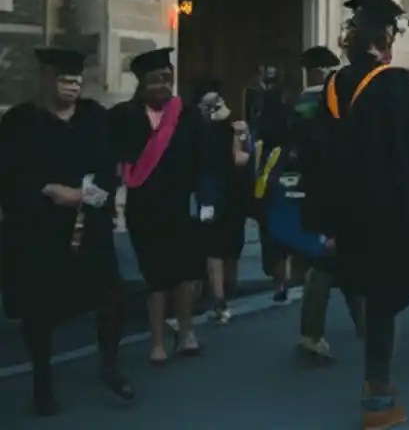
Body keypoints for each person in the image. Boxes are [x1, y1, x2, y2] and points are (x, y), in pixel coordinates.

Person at [304, 0, 409, 428]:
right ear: (386, 36)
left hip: (348, 213)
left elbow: (317, 154)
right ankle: (378, 394)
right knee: (386, 300)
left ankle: (377, 385)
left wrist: (324, 217)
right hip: (392, 212)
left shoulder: (332, 86)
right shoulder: (398, 85)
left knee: (367, 290)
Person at [0, 48, 134, 415]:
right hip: (37, 233)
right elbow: (7, 177)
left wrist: (82, 194)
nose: (73, 86)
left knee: (112, 300)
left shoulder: (94, 119)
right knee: (38, 312)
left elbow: (110, 169)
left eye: (77, 80)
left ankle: (110, 366)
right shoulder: (20, 122)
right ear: (46, 80)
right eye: (65, 80)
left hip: (89, 228)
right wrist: (46, 191)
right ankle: (42, 385)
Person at [110, 47, 207, 365]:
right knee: (155, 278)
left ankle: (186, 331)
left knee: (182, 275)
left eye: (168, 79)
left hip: (181, 206)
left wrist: (206, 200)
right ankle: (156, 341)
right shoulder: (124, 116)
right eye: (156, 80)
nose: (163, 86)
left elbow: (205, 160)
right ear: (142, 83)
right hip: (144, 209)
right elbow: (112, 158)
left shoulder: (188, 116)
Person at [294, 45, 366, 364]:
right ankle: (363, 327)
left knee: (329, 261)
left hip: (321, 188)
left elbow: (300, 141)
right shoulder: (350, 93)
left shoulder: (307, 101)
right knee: (339, 262)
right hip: (348, 187)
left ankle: (315, 335)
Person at [191, 80, 251, 325]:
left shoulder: (236, 128)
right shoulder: (196, 131)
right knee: (212, 246)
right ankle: (218, 298)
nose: (214, 109)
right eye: (209, 106)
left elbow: (241, 160)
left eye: (218, 103)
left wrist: (238, 135)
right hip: (208, 196)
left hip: (233, 195)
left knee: (232, 248)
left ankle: (227, 291)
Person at [245, 64, 294, 304]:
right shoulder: (271, 105)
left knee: (273, 239)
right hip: (274, 177)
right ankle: (282, 280)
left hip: (273, 178)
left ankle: (281, 281)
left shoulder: (270, 108)